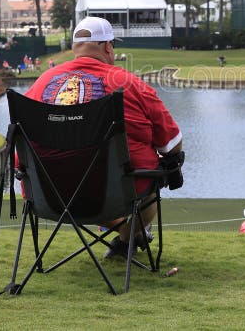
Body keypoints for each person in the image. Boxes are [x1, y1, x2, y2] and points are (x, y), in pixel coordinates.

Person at [21, 16, 183, 259]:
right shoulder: (128, 83)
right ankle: (128, 237)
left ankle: (125, 238)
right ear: (108, 47)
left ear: (76, 48)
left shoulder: (41, 84)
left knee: (88, 176)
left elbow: (17, 147)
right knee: (150, 180)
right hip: (113, 194)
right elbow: (171, 144)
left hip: (47, 194)